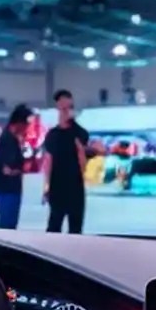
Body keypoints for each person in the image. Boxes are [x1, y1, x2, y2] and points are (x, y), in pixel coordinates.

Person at [41, 89, 89, 233]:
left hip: (75, 186)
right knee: (54, 225)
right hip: (57, 187)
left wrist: (80, 149)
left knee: (75, 227)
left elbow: (83, 161)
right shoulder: (52, 135)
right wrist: (46, 186)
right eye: (62, 108)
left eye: (68, 107)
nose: (65, 111)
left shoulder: (80, 133)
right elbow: (48, 161)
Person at [0, 105, 32, 230]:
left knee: (9, 224)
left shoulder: (13, 139)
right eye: (25, 123)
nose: (27, 127)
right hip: (8, 189)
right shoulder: (7, 140)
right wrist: (17, 170)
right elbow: (7, 168)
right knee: (7, 226)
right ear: (19, 123)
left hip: (11, 188)